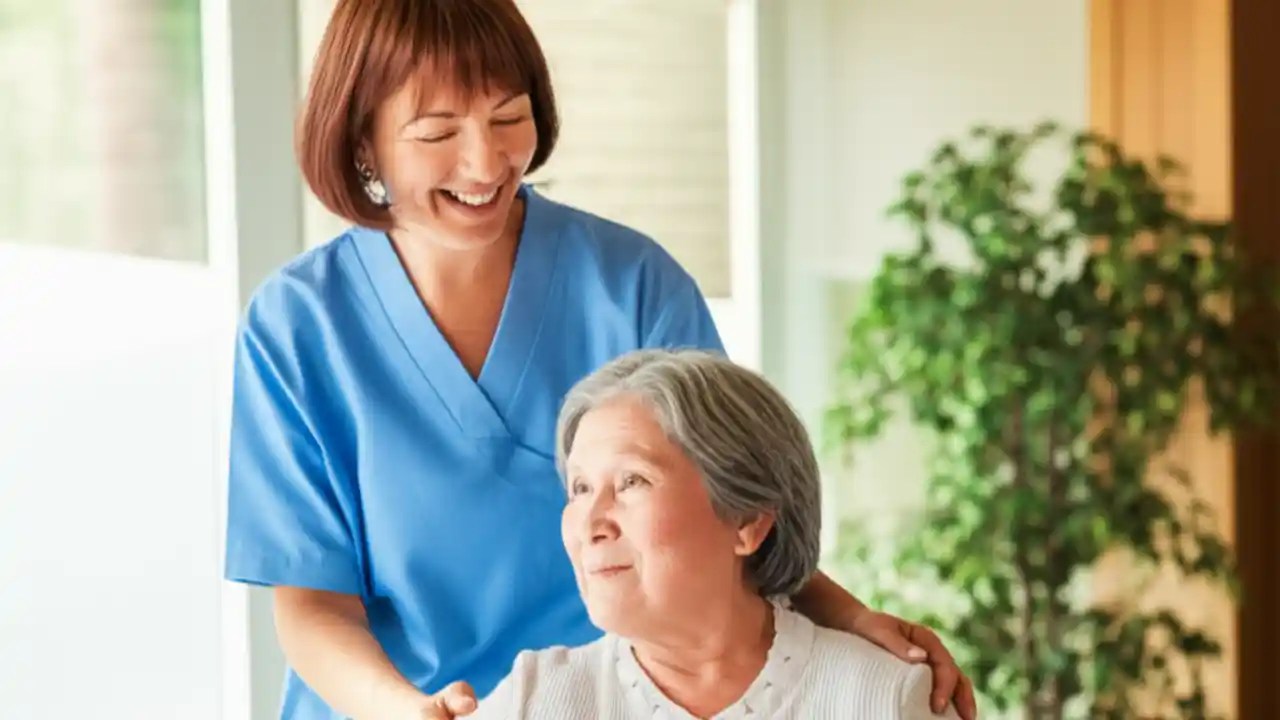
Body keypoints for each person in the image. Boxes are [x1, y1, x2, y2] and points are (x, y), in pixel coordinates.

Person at [223, 1, 976, 719]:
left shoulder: (630, 286)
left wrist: (852, 620)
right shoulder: (297, 328)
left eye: (509, 118)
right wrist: (415, 713)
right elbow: (312, 604)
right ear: (364, 141)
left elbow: (727, 511)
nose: (485, 162)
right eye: (437, 133)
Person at [469, 349, 962, 719]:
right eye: (579, 488)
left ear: (748, 521)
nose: (591, 523)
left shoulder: (882, 699)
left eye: (631, 481)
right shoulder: (534, 700)